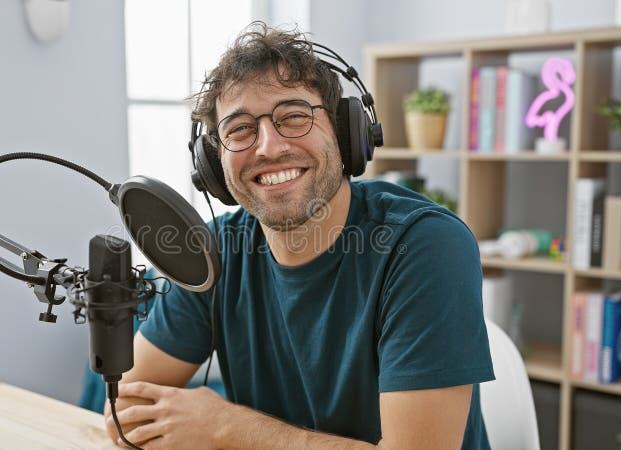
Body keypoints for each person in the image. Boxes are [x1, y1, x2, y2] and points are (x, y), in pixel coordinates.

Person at [105, 22, 494, 449]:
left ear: (346, 135)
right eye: (239, 130)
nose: (268, 147)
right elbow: (123, 408)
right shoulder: (215, 252)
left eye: (293, 117)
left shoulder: (424, 246)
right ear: (212, 167)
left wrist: (226, 427)